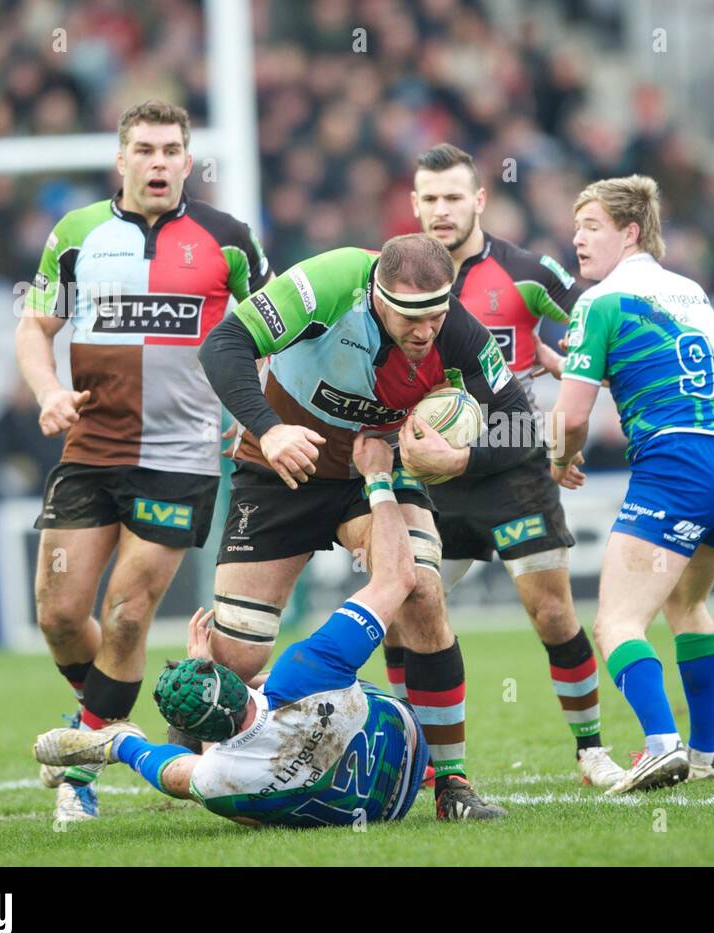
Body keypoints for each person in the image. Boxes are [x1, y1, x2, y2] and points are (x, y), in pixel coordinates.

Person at [197, 233, 543, 820]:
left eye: (436, 313)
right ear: (375, 293)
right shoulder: (330, 282)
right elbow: (223, 343)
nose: (426, 331)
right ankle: (216, 748)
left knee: (423, 591)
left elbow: (522, 423)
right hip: (285, 458)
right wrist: (267, 425)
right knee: (237, 654)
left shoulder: (456, 328)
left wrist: (461, 461)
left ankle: (451, 783)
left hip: (374, 465)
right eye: (409, 316)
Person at [15, 100, 271, 824]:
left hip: (179, 456)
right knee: (61, 614)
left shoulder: (229, 241)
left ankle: (82, 767)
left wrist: (259, 418)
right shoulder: (76, 234)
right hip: (89, 448)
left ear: (188, 161)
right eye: (145, 150)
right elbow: (36, 325)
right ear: (121, 161)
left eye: (171, 151)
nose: (159, 162)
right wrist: (48, 391)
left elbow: (276, 333)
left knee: (127, 614)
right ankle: (99, 717)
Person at [33, 434, 432, 829]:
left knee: (229, 800)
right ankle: (447, 776)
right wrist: (378, 479)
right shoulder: (306, 670)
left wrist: (122, 745)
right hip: (410, 748)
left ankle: (114, 740)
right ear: (232, 680)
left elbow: (169, 769)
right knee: (332, 675)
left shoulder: (215, 777)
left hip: (380, 809)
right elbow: (398, 577)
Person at [411, 143, 624, 788]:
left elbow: (592, 322)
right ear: (413, 204)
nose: (441, 210)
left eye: (453, 197)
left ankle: (590, 751)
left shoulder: (530, 273)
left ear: (480, 200)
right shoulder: (395, 274)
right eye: (429, 198)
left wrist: (567, 393)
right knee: (408, 614)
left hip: (513, 466)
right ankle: (422, 757)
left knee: (553, 614)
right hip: (431, 476)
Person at [545, 176, 714, 794]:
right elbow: (657, 371)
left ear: (630, 231)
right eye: (576, 226)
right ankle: (706, 754)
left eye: (592, 227)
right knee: (686, 604)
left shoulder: (600, 302)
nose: (577, 239)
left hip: (677, 465)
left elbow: (573, 417)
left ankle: (661, 744)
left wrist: (563, 460)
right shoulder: (691, 292)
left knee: (615, 623)